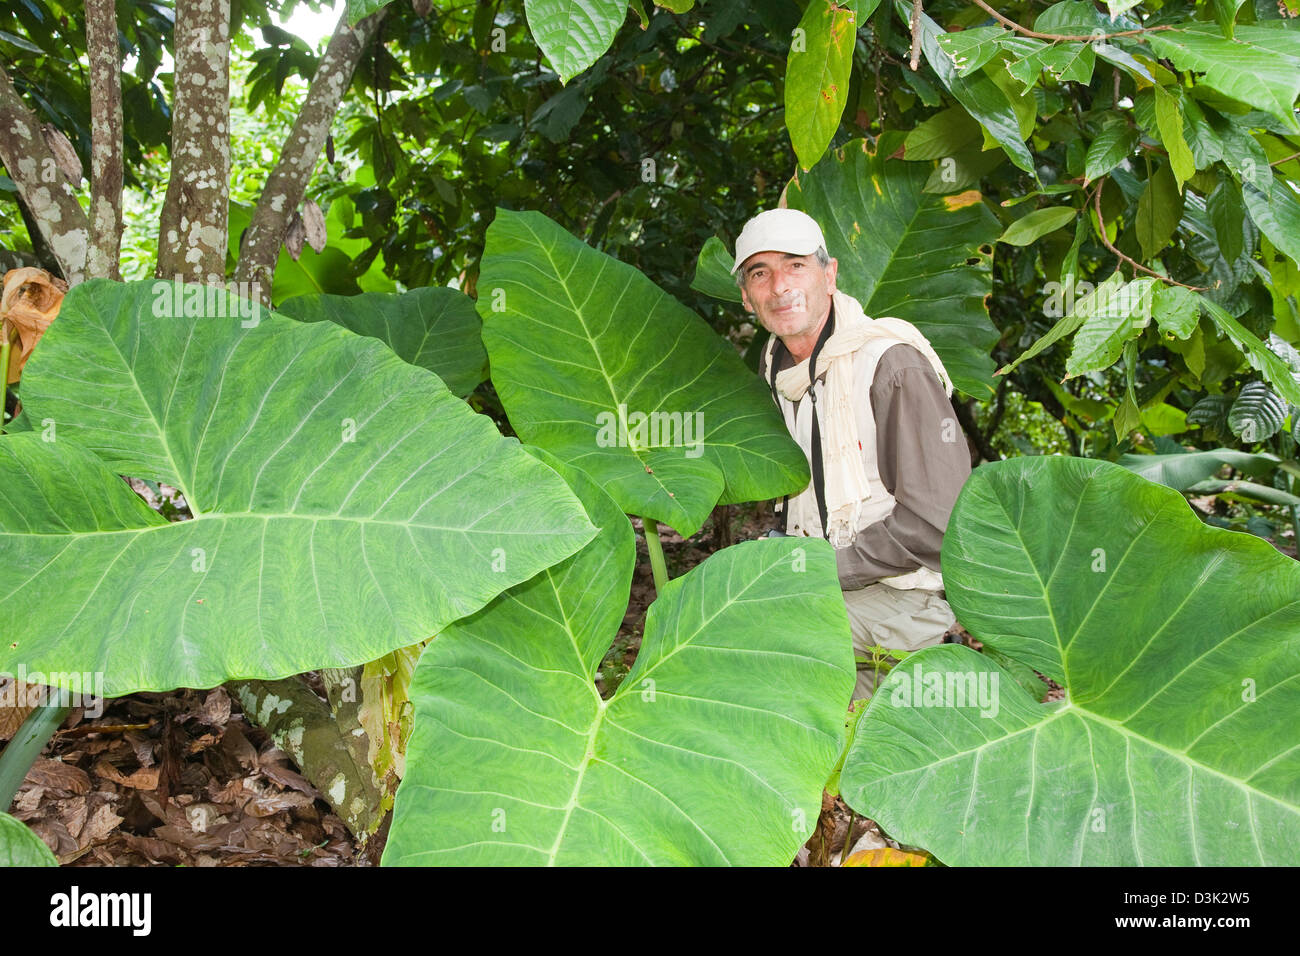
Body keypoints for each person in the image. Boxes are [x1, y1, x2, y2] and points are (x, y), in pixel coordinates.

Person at [731, 208, 972, 699]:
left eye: (795, 265)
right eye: (761, 273)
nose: (780, 286)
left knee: (742, 634)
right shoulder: (779, 371)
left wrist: (820, 566)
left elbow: (937, 522)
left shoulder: (890, 363)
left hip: (907, 602)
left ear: (830, 273)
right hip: (831, 589)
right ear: (746, 297)